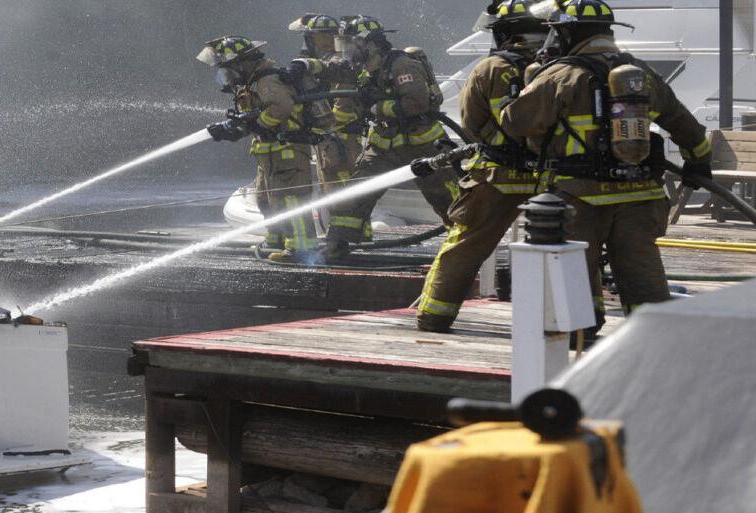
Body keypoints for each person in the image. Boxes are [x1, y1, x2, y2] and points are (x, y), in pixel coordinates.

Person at [498, 0, 713, 327]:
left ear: (568, 31)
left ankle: (582, 335)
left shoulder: (561, 75)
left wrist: (518, 94)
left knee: (577, 270)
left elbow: (515, 123)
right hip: (640, 194)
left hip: (579, 196)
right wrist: (698, 163)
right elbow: (683, 123)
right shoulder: (639, 73)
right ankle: (653, 339)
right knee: (643, 275)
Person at [416, 0, 549, 332]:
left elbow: (472, 124)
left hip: (497, 175)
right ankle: (578, 320)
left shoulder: (490, 69)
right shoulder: (558, 67)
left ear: (504, 32)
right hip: (551, 178)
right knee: (566, 246)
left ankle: (435, 315)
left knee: (463, 247)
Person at [299, 16, 460, 261]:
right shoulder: (364, 68)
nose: (348, 51)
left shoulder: (402, 65)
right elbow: (335, 68)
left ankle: (463, 243)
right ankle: (337, 243)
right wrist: (306, 67)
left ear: (369, 44)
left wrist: (378, 108)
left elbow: (416, 103)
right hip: (384, 144)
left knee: (444, 196)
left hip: (422, 143)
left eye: (351, 44)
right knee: (357, 191)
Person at [199, 36, 322, 264]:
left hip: (287, 152)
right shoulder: (251, 83)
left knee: (291, 201)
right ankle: (275, 239)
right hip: (268, 154)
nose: (225, 76)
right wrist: (231, 130)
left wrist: (254, 124)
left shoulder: (267, 80)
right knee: (265, 201)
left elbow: (281, 108)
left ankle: (301, 249)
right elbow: (252, 118)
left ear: (240, 63)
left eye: (227, 70)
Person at [288, 14, 361, 236]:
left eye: (311, 36)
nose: (307, 41)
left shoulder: (339, 59)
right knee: (331, 185)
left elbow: (335, 71)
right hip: (326, 136)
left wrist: (309, 65)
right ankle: (344, 233)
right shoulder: (318, 61)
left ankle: (345, 235)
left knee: (340, 184)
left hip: (340, 136)